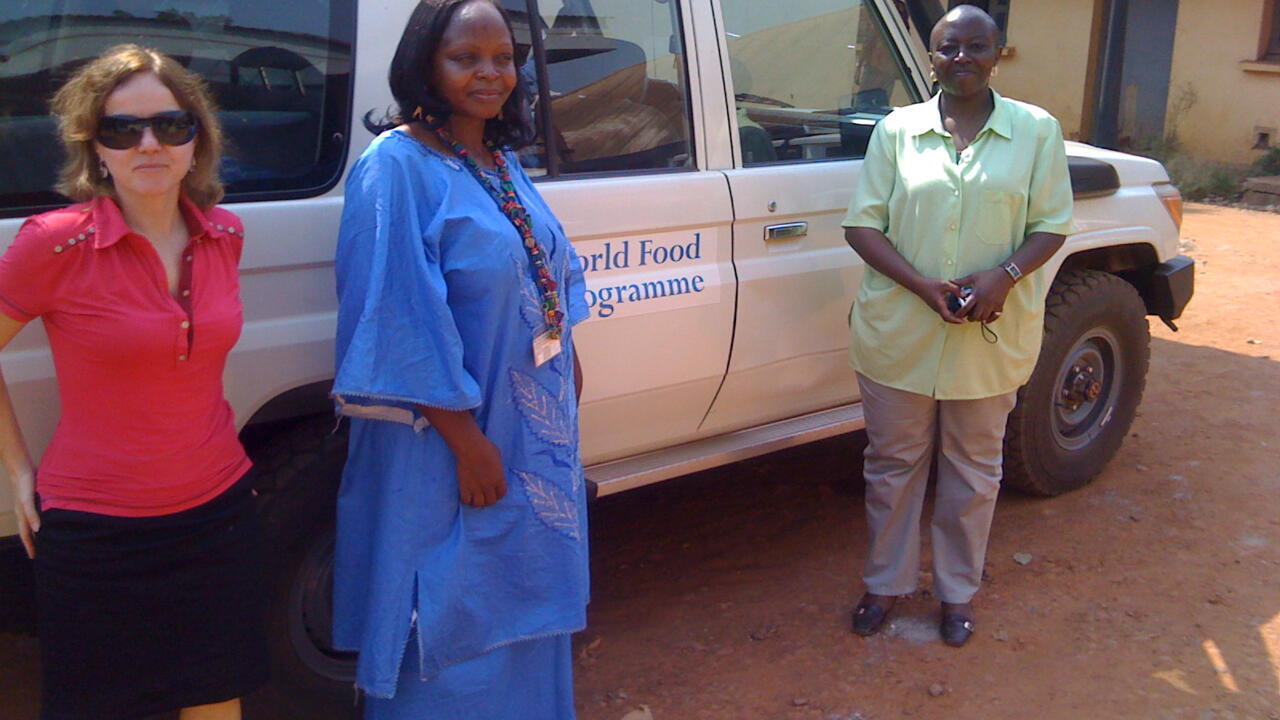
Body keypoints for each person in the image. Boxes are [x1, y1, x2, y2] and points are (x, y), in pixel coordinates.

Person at [330, 1, 590, 717]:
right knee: (446, 597)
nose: (490, 73)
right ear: (425, 62)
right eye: (465, 57)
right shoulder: (397, 168)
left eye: (503, 57)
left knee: (526, 588)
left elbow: (548, 275)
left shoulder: (499, 163)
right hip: (444, 443)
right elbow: (396, 315)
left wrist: (570, 367)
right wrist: (467, 442)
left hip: (531, 434)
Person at [0, 45, 266, 719]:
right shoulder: (53, 245)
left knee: (215, 701)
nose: (149, 143)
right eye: (124, 129)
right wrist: (18, 468)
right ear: (97, 146)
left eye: (171, 125)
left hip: (217, 516)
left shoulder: (225, 233)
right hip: (96, 534)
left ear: (195, 138)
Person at [842, 5, 1074, 648]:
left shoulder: (1035, 131)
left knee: (974, 470)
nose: (962, 58)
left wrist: (1003, 275)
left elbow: (1051, 223)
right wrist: (921, 286)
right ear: (932, 57)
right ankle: (885, 584)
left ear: (998, 53)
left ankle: (956, 593)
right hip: (898, 332)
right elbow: (863, 223)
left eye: (977, 46)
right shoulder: (897, 130)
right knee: (893, 464)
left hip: (989, 332)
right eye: (949, 48)